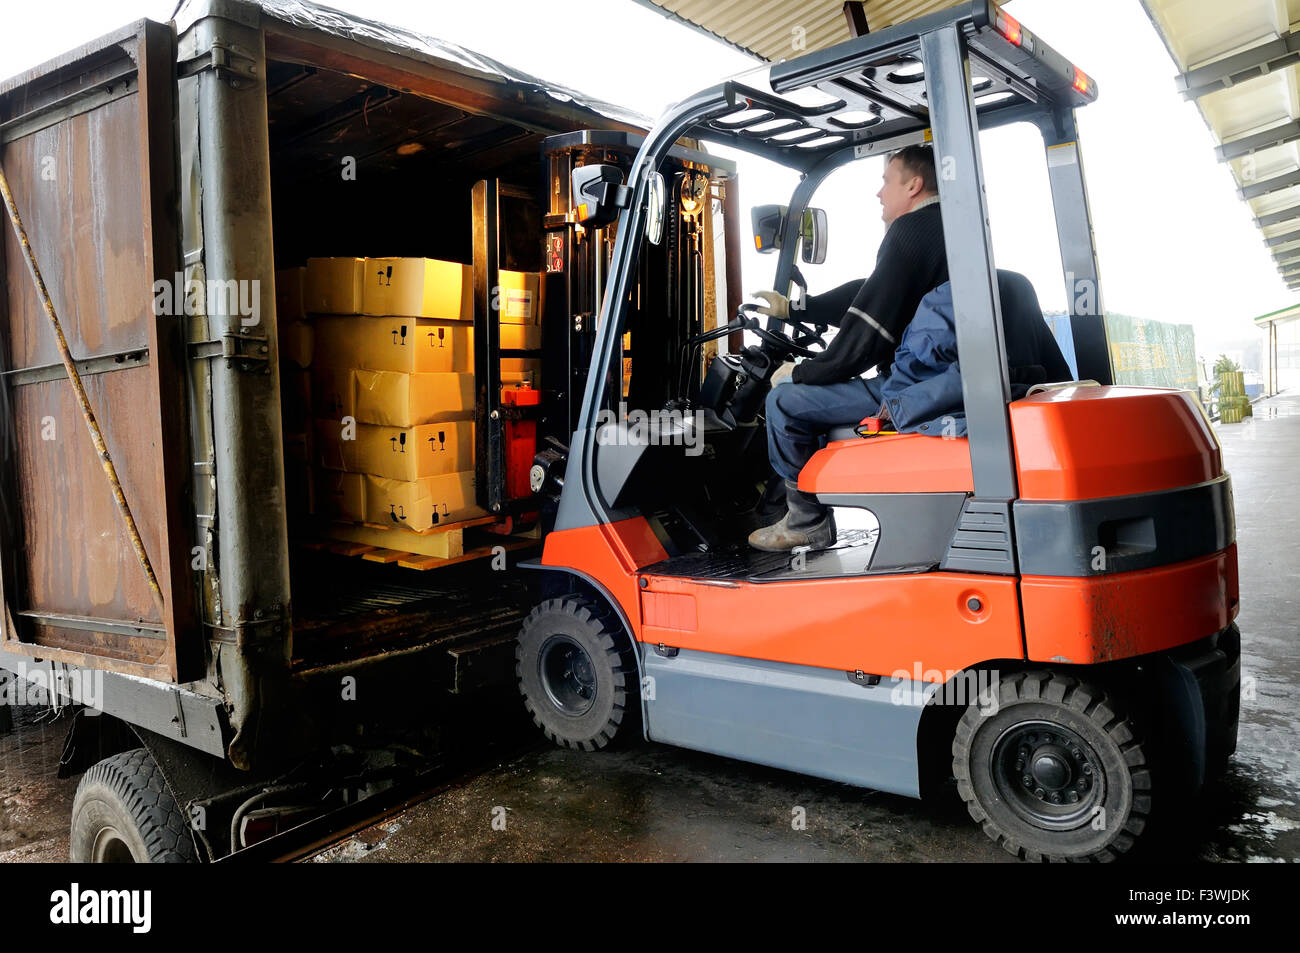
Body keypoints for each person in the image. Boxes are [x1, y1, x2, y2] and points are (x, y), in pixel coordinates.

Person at [748, 144, 948, 552]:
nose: (879, 193)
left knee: (784, 403)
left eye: (885, 181)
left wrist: (804, 372)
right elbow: (872, 293)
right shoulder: (943, 229)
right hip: (937, 381)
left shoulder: (912, 232)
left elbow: (869, 334)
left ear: (914, 184)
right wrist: (798, 308)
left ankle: (807, 521)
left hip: (909, 390)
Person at [866, 270, 1073, 437]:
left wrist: (900, 407)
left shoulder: (943, 302)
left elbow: (939, 354)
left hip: (909, 395)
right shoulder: (1014, 288)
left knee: (833, 403)